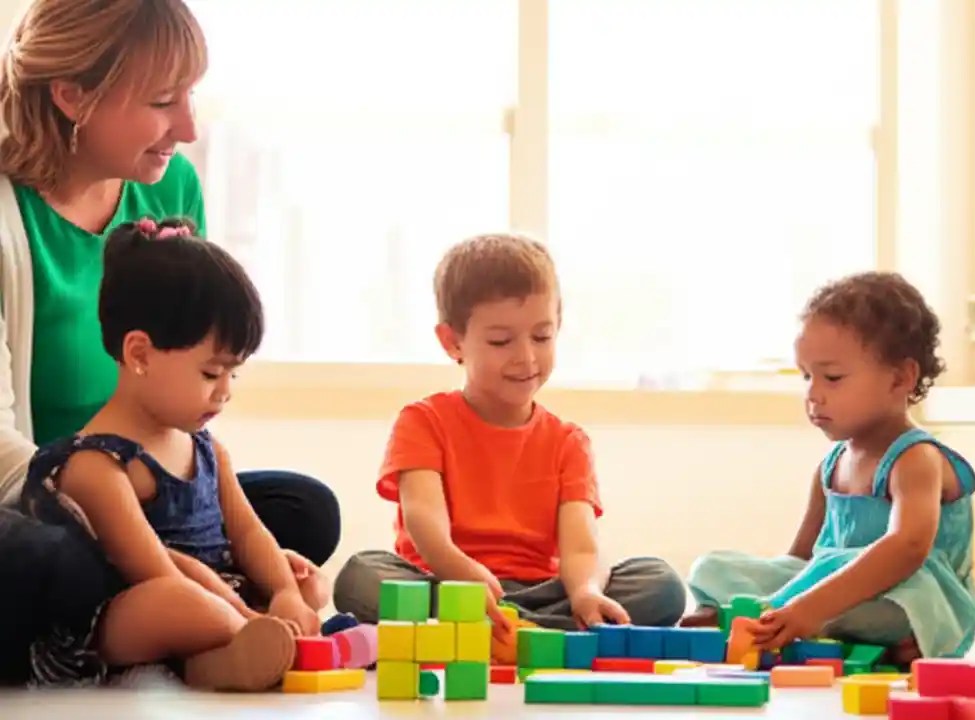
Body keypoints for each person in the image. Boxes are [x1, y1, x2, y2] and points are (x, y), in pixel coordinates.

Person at [0, 0, 338, 683]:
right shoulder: (9, 213)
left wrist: (207, 525)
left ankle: (173, 616)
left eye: (190, 96)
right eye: (162, 102)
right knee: (44, 560)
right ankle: (181, 613)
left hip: (143, 482)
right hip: (45, 495)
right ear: (72, 96)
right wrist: (114, 523)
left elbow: (190, 362)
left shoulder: (170, 187)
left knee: (304, 510)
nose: (187, 128)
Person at [18, 217, 327, 689]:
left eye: (233, 375)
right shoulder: (96, 466)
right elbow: (154, 567)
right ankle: (235, 643)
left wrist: (285, 591)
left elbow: (248, 532)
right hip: (138, 606)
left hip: (216, 591)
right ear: (140, 354)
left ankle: (215, 662)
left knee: (307, 579)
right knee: (180, 603)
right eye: (210, 374)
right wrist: (244, 612)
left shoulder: (206, 449)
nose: (225, 392)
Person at [332, 234, 687, 633]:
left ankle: (502, 628)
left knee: (660, 584)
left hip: (544, 590)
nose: (526, 357)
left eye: (542, 337)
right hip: (446, 582)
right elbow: (423, 519)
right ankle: (537, 630)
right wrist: (461, 572)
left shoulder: (568, 441)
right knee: (362, 575)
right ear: (452, 342)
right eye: (501, 341)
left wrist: (586, 592)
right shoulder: (423, 421)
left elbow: (581, 547)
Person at [682, 272, 975, 663]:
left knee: (874, 590)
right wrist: (789, 597)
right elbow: (800, 562)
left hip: (910, 598)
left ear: (900, 378)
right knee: (712, 567)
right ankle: (762, 616)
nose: (813, 394)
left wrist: (807, 608)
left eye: (832, 377)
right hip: (831, 594)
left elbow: (907, 548)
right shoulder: (831, 467)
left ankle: (764, 619)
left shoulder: (915, 459)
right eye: (807, 376)